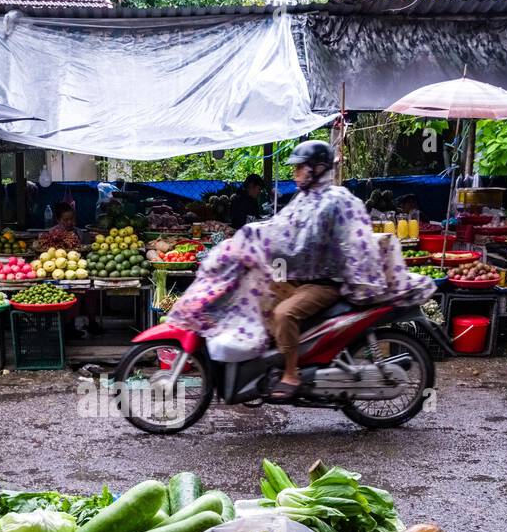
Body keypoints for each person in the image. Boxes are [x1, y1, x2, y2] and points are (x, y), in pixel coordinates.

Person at [167, 139, 433, 401]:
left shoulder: (336, 201)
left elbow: (305, 241)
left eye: (299, 168)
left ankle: (292, 374)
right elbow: (279, 227)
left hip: (327, 284)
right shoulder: (304, 198)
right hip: (301, 279)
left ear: (316, 169)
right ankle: (270, 362)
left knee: (284, 314)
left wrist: (271, 243)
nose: (294, 173)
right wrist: (248, 239)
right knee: (257, 296)